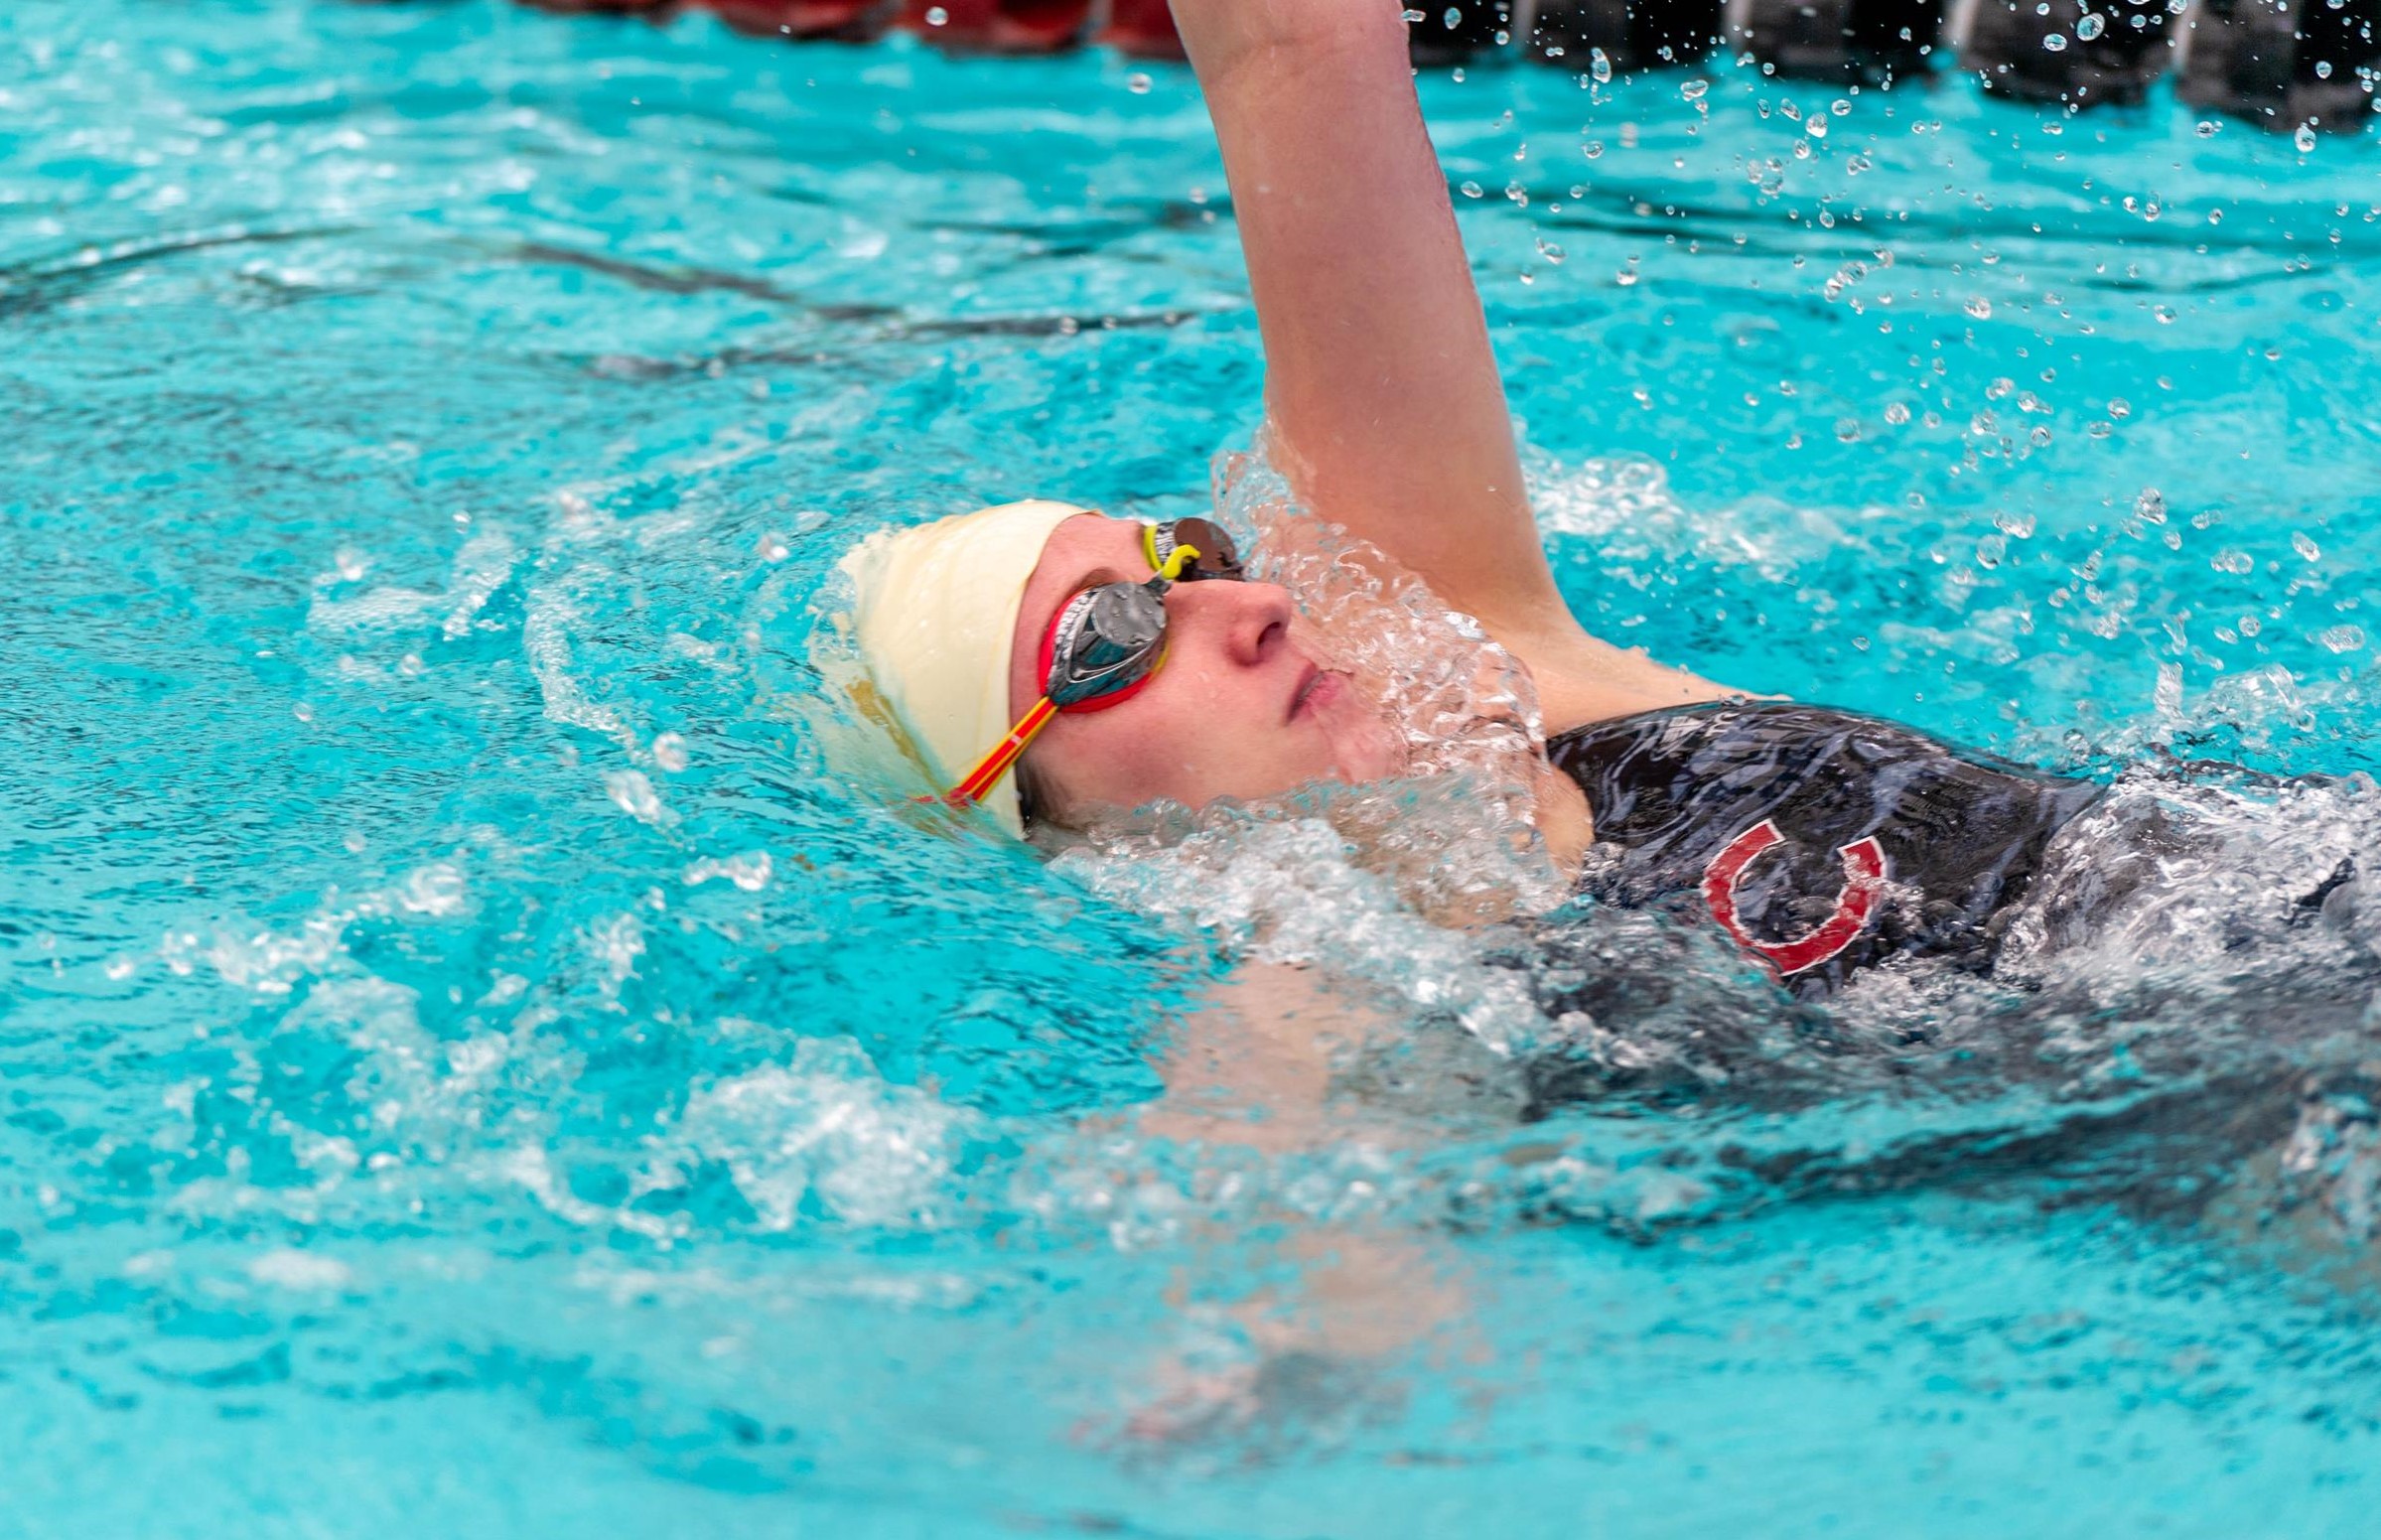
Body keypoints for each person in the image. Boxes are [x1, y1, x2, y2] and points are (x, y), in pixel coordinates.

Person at [833, 0, 2115, 1000]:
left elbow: (1296, 52)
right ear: (1026, 818)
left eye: (1186, 559)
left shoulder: (1494, 689)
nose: (1250, 603)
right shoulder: (1326, 1003)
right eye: (1104, 637)